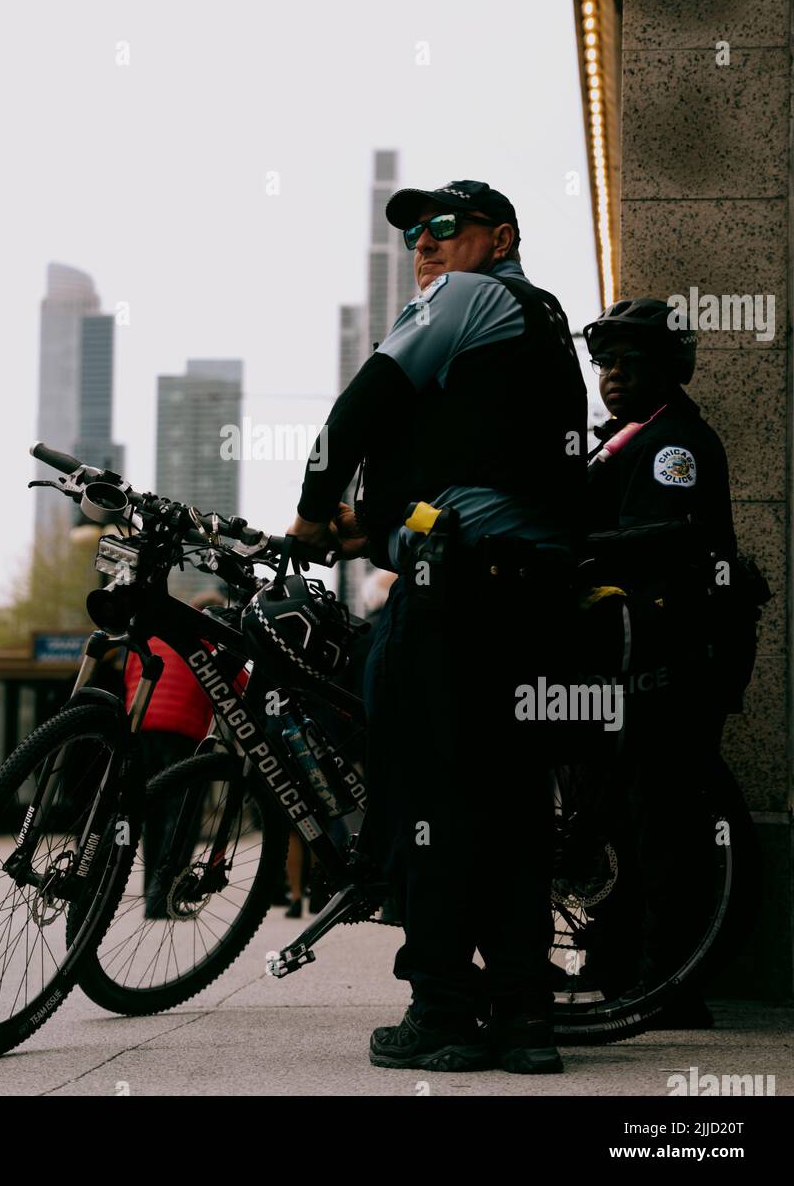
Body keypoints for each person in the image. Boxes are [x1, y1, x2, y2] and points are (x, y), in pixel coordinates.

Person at [286, 179, 587, 1074]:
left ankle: (446, 1013)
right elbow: (483, 472)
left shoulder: (465, 296)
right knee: (514, 804)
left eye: (443, 228)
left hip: (457, 607)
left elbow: (361, 405)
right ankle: (526, 1017)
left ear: (501, 237)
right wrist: (378, 524)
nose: (424, 244)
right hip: (533, 599)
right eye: (414, 234)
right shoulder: (541, 324)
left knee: (431, 803)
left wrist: (310, 512)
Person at [580, 297, 739, 1026]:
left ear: (668, 367)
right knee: (617, 822)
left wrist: (568, 550)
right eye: (605, 364)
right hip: (626, 665)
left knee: (663, 828)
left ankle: (670, 988)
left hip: (672, 666)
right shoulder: (623, 438)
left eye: (628, 363)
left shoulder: (676, 442)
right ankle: (614, 968)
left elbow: (665, 536)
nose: (612, 376)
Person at [123, 589, 236, 917]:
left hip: (143, 726)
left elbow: (131, 674)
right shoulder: (205, 641)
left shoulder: (156, 636)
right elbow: (233, 683)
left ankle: (151, 894)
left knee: (152, 812)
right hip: (183, 732)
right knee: (182, 815)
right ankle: (167, 896)